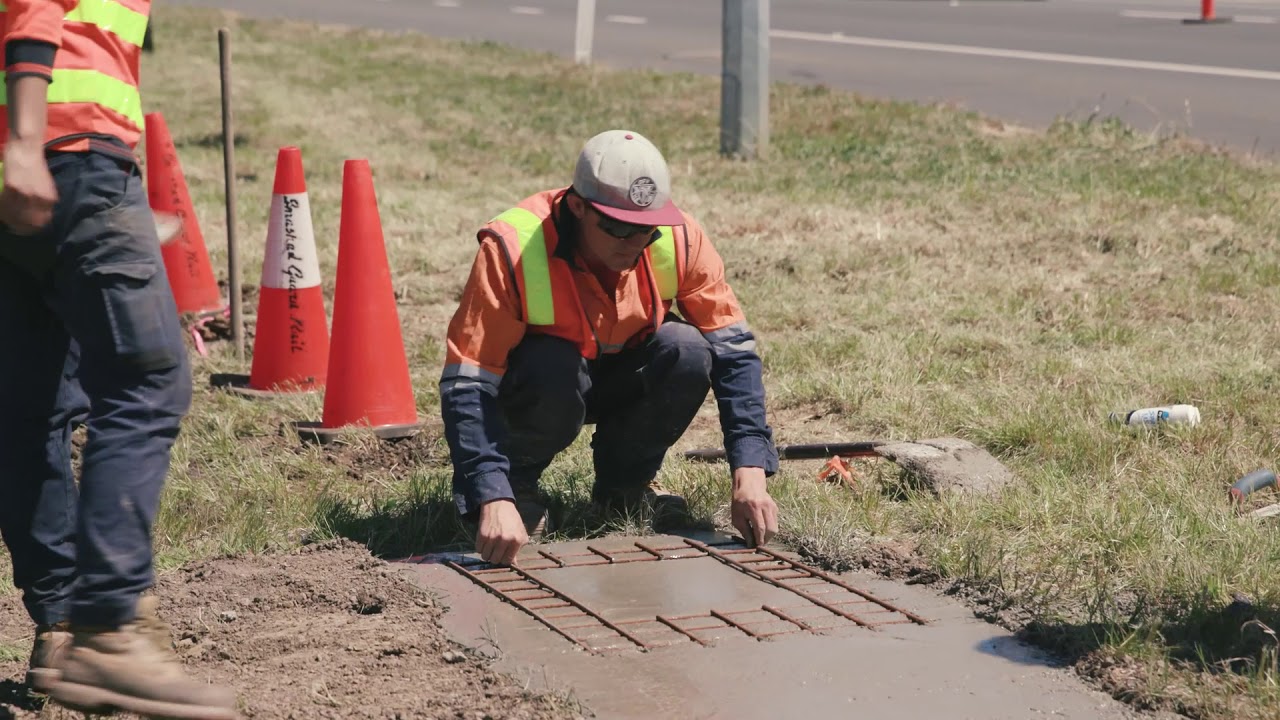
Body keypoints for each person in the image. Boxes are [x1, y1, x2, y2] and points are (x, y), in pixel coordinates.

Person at [0, 1, 239, 717]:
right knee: (146, 380)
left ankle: (61, 627)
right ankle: (108, 626)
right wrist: (27, 142)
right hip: (69, 156)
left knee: (29, 407)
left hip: (33, 165)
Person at [440, 129, 781, 566]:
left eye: (646, 231)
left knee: (687, 350)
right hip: (543, 382)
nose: (634, 244)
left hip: (620, 375)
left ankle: (624, 489)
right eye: (619, 229)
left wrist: (750, 473)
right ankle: (516, 487)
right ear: (578, 207)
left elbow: (734, 354)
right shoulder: (512, 248)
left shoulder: (680, 238)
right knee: (553, 363)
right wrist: (491, 493)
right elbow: (468, 382)